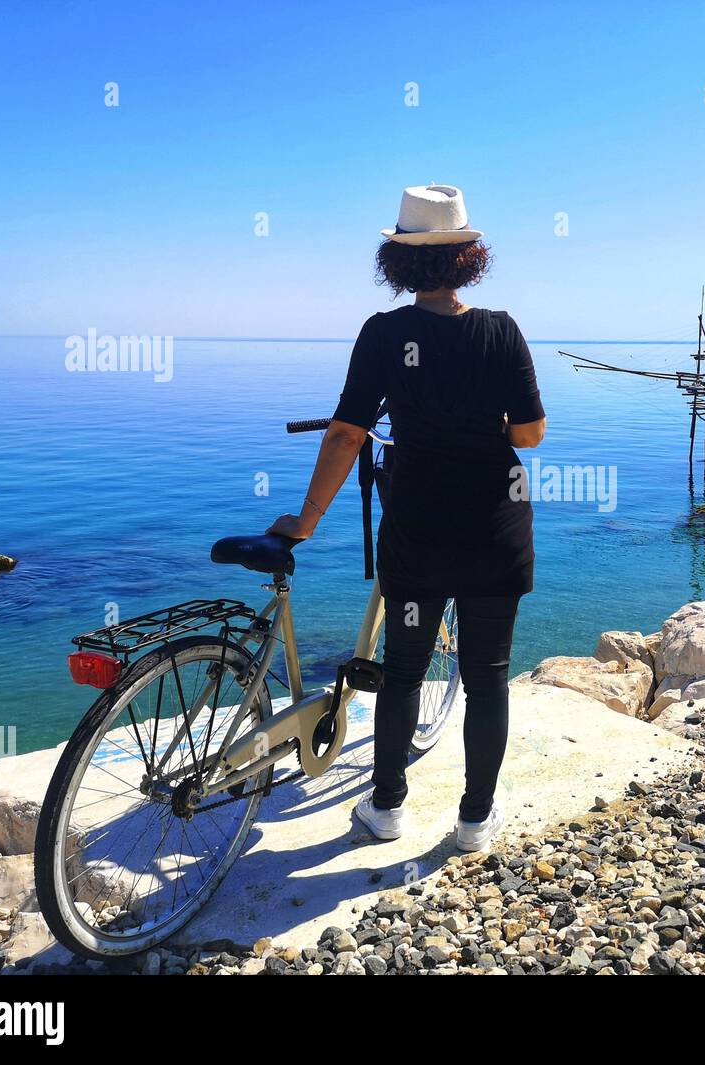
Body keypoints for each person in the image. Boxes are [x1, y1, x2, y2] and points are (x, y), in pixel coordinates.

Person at [268, 184, 546, 852]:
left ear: (400, 261)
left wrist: (305, 522)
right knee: (487, 678)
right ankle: (475, 820)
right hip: (494, 528)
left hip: (418, 527)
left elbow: (345, 436)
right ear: (469, 257)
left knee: (403, 669)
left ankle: (386, 807)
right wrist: (490, 423)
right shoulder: (501, 330)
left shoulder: (385, 333)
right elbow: (531, 433)